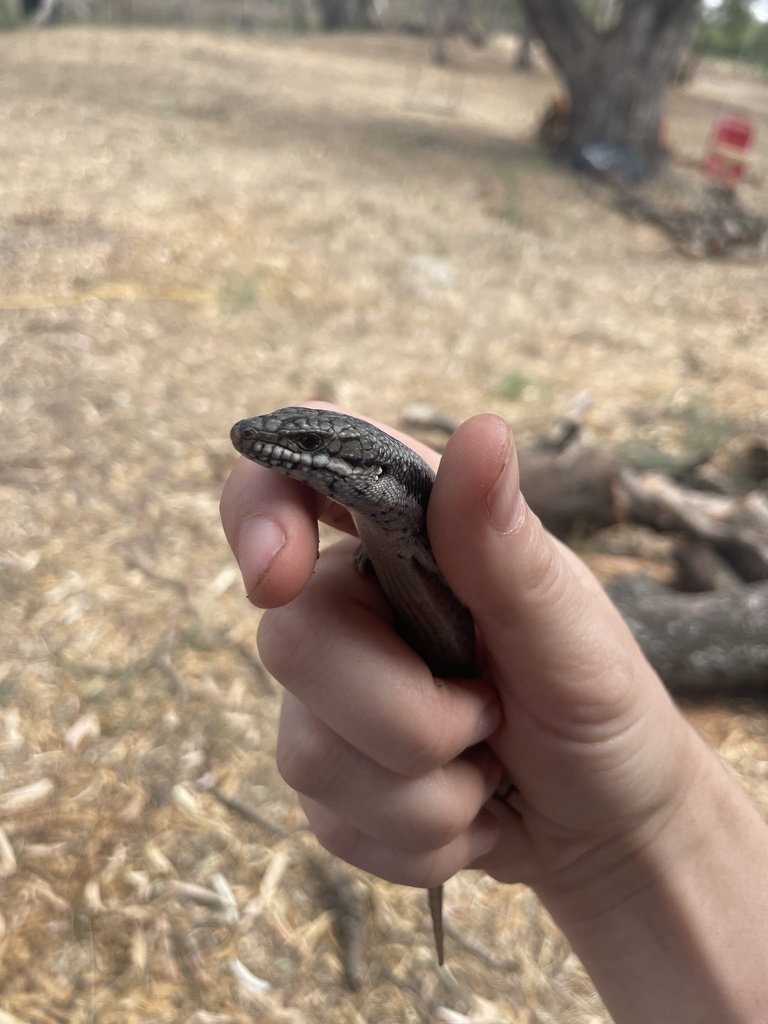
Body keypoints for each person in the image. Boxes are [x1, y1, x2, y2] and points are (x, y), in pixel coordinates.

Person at [220, 407, 768, 1024]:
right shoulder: (391, 512)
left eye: (311, 444)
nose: (285, 449)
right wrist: (624, 841)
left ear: (364, 466)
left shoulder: (417, 506)